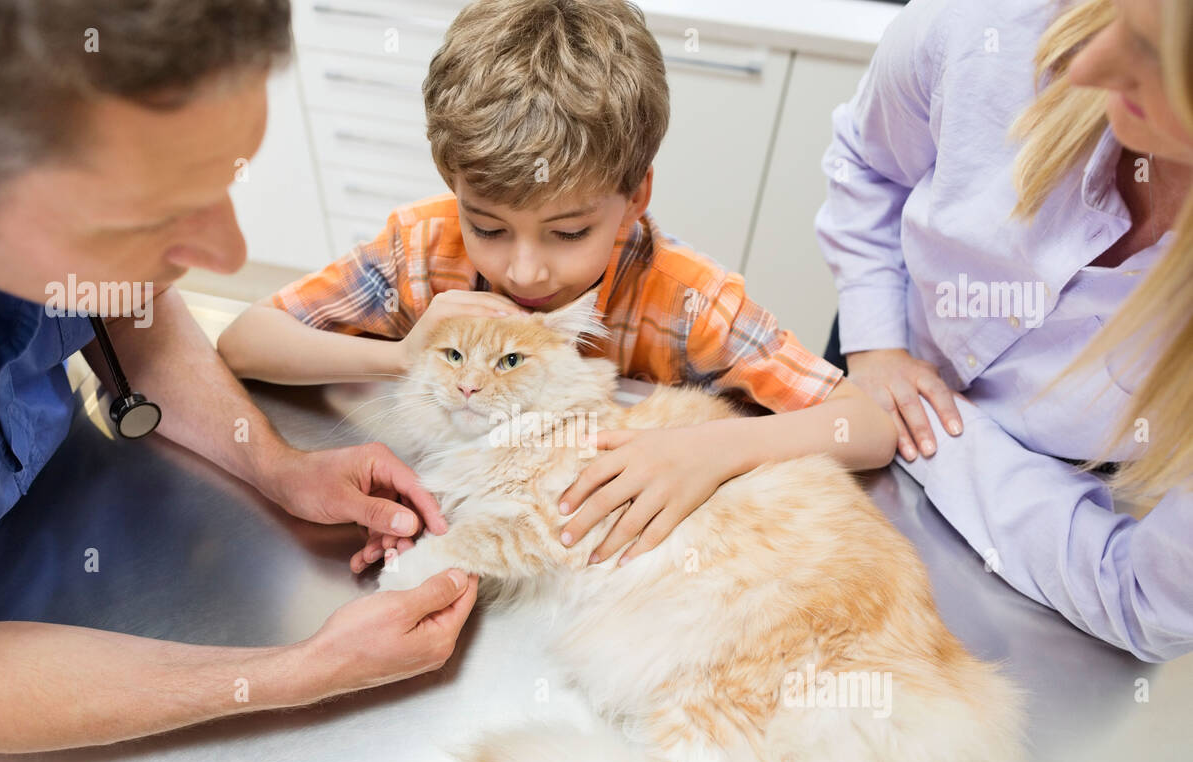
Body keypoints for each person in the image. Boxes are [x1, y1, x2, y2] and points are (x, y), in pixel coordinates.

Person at [0, 0, 480, 753]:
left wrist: (277, 467)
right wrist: (294, 673)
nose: (230, 255)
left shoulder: (19, 189)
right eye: (146, 218)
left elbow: (124, 302)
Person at [217, 0, 898, 568]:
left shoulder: (688, 299)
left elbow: (866, 424)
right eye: (487, 226)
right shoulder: (425, 247)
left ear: (635, 197)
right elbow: (247, 342)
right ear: (454, 188)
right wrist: (400, 354)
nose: (523, 270)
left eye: (568, 234)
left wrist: (710, 448)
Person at [815, 0, 1192, 661]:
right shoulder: (990, 20)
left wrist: (928, 439)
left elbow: (1150, 603)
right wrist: (875, 349)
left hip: (1057, 508)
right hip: (884, 356)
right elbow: (867, 162)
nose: (1089, 66)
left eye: (1152, 55)